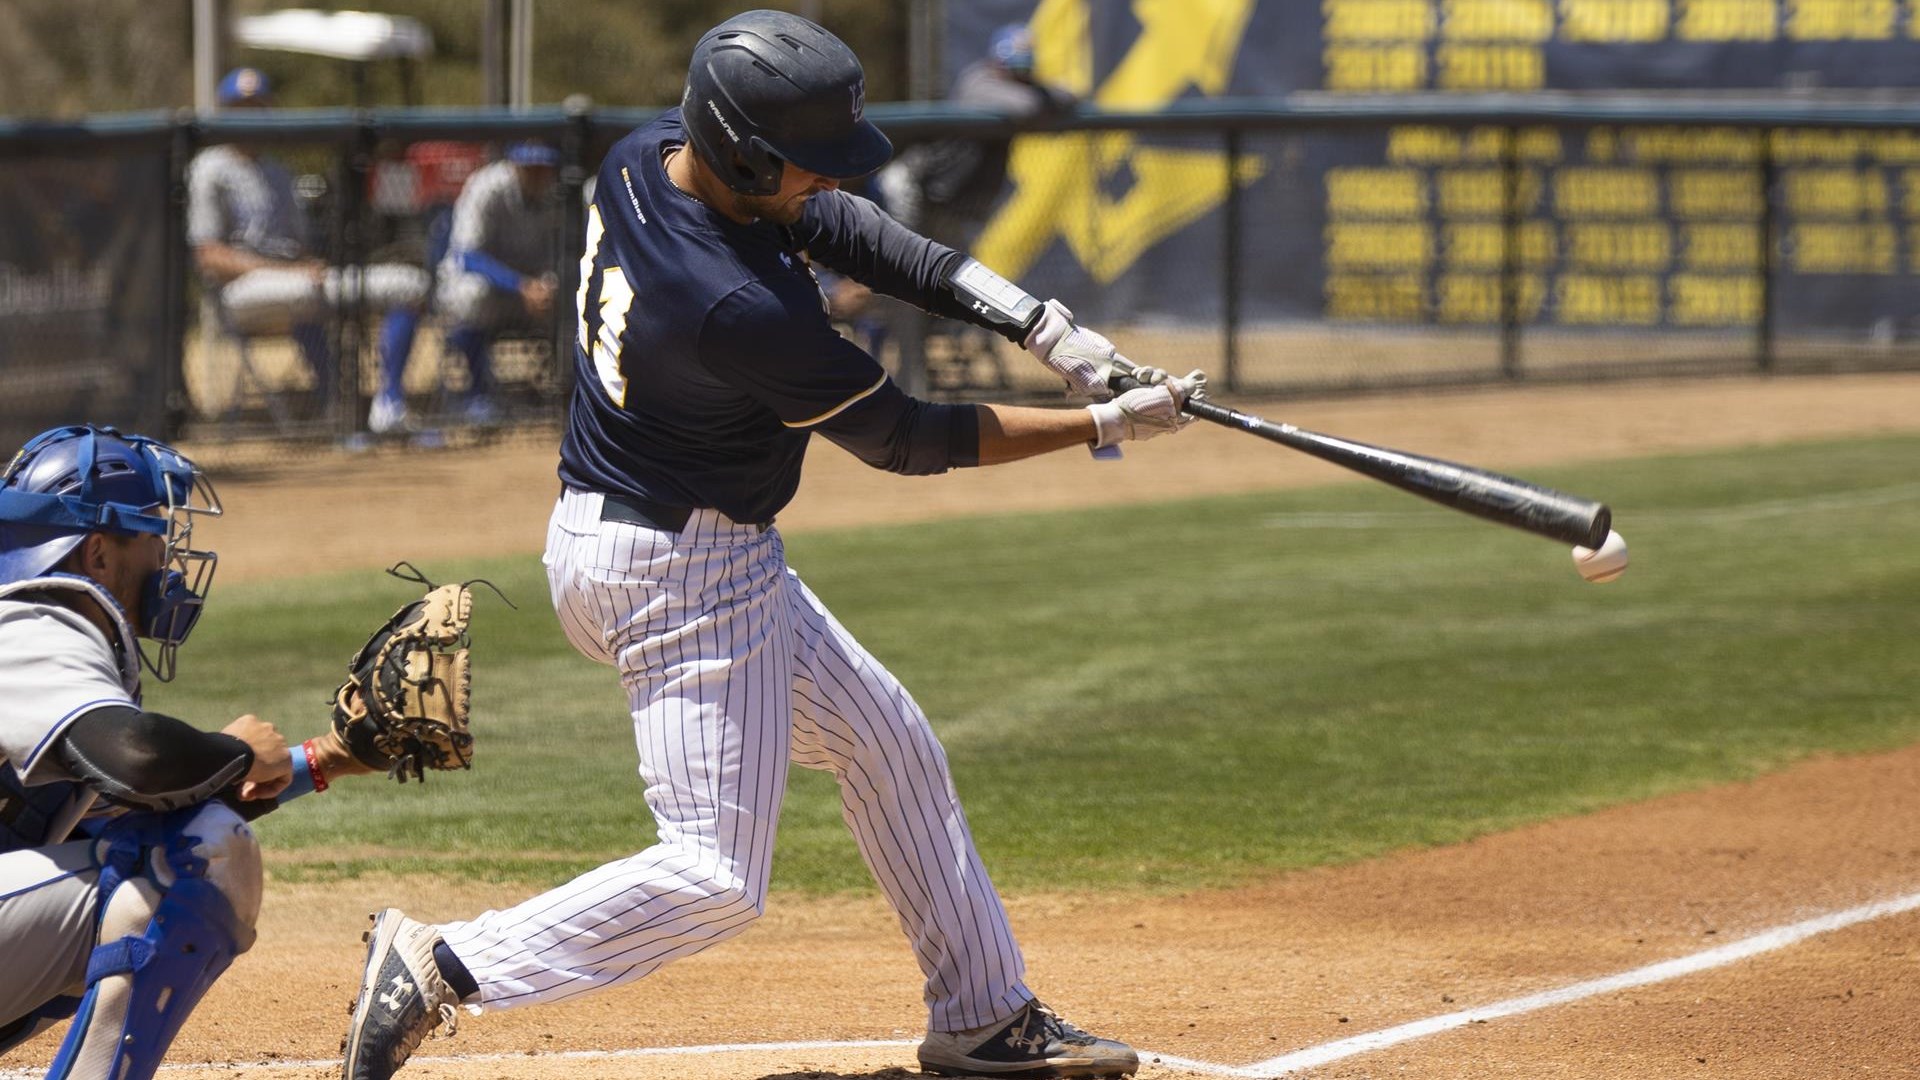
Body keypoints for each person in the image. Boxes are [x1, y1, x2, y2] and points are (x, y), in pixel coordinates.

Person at [340, 12, 1201, 1080]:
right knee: (714, 875)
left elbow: (854, 229)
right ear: (746, 155)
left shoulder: (647, 155)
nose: (828, 178)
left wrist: (1040, 326)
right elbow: (906, 438)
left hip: (631, 536)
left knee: (888, 745)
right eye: (806, 160)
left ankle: (984, 1016)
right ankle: (442, 964)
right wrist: (1102, 425)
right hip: (681, 575)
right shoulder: (734, 305)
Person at [0, 424, 390, 1079]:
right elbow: (141, 760)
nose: (168, 561)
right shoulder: (35, 623)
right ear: (98, 553)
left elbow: (132, 812)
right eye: (154, 536)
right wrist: (236, 750)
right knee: (195, 858)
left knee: (151, 860)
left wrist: (324, 758)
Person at [189, 68, 428, 427]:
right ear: (224, 112)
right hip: (239, 290)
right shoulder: (209, 169)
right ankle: (337, 401)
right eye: (241, 108)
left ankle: (386, 404)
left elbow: (300, 248)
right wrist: (291, 270)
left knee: (409, 284)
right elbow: (209, 256)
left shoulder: (277, 170)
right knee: (306, 290)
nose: (250, 117)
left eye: (257, 108)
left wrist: (310, 264)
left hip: (297, 279)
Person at [375, 141, 561, 433]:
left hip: (532, 292)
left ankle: (571, 393)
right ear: (514, 165)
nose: (538, 175)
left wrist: (546, 286)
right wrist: (520, 285)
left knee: (577, 295)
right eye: (530, 168)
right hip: (479, 288)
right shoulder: (486, 185)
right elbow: (468, 257)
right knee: (473, 295)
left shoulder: (557, 193)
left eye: (543, 168)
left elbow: (561, 254)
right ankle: (476, 393)